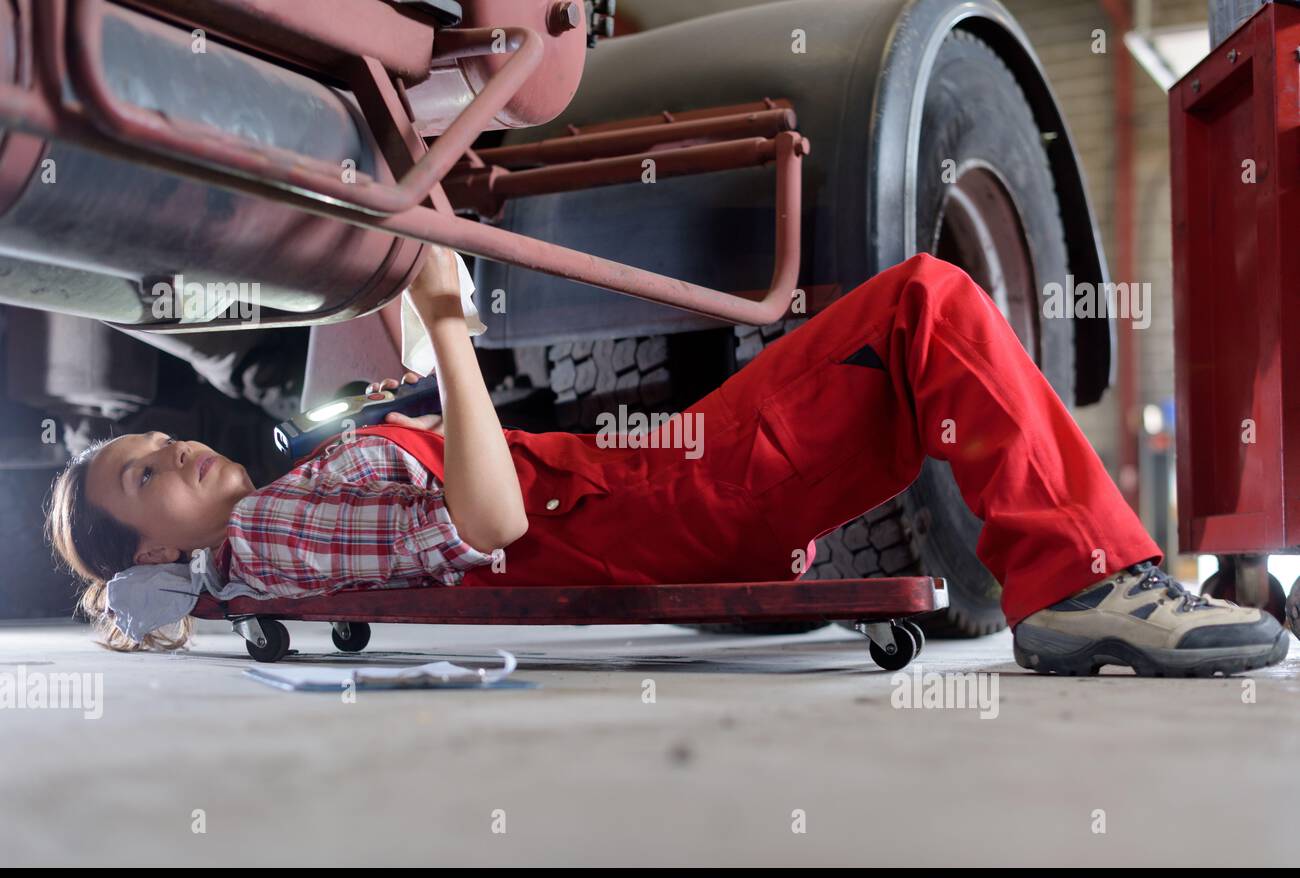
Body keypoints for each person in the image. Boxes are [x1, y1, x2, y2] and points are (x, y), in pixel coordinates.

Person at [45, 246, 1291, 676]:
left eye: (155, 443)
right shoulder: (269, 531)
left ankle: (1082, 572)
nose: (177, 449)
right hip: (678, 502)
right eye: (147, 477)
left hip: (668, 504)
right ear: (157, 544)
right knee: (925, 299)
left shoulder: (263, 538)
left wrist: (404, 410)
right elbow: (485, 525)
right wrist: (446, 324)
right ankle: (1082, 587)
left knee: (918, 362)